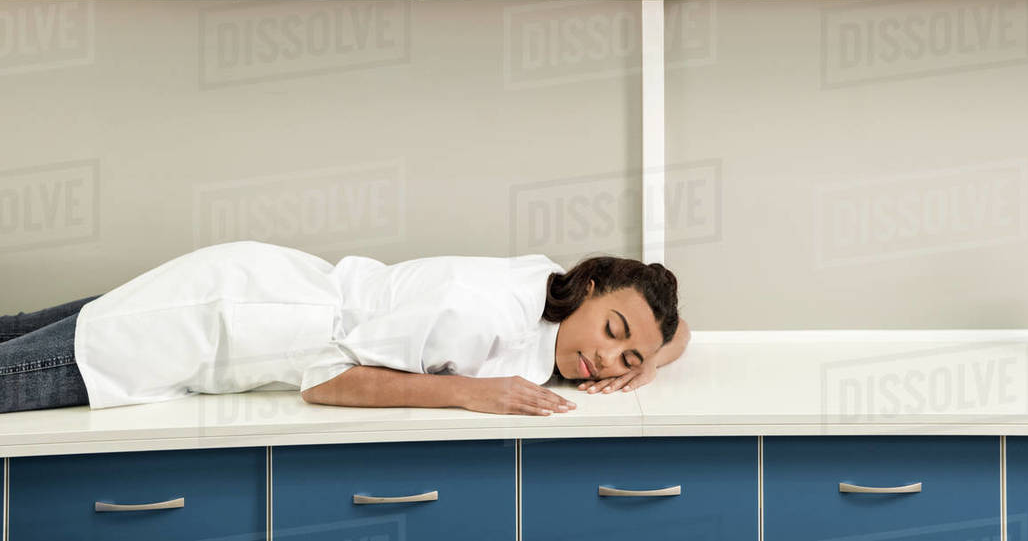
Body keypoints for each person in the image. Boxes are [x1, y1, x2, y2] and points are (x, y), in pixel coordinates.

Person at [0, 241, 689, 416]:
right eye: (613, 331)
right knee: (14, 375)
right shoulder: (479, 315)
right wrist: (472, 393)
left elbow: (676, 326)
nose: (609, 358)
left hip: (256, 283)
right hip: (219, 321)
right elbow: (327, 379)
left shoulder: (548, 288)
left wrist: (653, 357)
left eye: (628, 355)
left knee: (17, 331)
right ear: (589, 288)